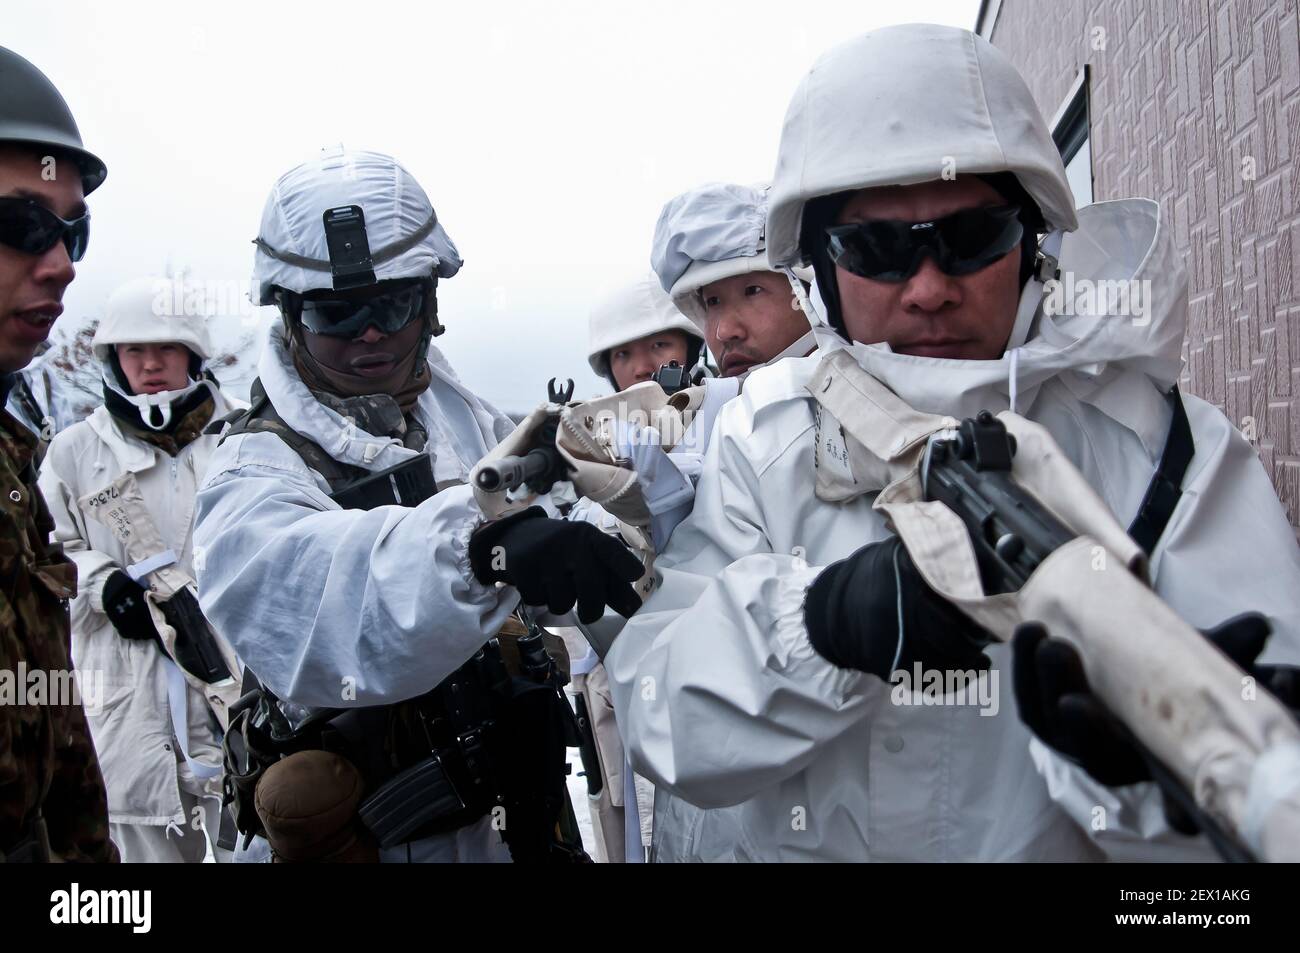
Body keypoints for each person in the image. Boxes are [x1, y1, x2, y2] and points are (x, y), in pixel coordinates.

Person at [604, 24, 1300, 861]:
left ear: (1031, 243)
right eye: (877, 248)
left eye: (972, 238)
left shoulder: (1160, 450)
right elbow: (660, 714)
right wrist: (824, 625)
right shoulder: (769, 435)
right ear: (820, 269)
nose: (930, 289)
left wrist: (1151, 783)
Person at [193, 147, 640, 862]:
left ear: (429, 305)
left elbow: (552, 515)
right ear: (291, 318)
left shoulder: (461, 417)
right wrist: (477, 550)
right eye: (338, 312)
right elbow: (318, 599)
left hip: (509, 818)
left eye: (392, 304)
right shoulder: (254, 467)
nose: (369, 332)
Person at [38, 277, 242, 862]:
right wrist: (103, 587)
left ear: (194, 355)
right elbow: (49, 549)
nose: (151, 364)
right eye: (134, 351)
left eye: (167, 349)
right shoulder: (75, 450)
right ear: (113, 359)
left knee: (251, 831)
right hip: (128, 691)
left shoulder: (242, 437)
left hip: (233, 679)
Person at [0, 44, 116, 863]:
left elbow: (51, 722)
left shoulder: (12, 450)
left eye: (74, 229)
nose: (64, 264)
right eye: (22, 224)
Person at [652, 181, 814, 379]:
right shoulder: (700, 410)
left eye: (753, 291)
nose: (725, 332)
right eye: (712, 301)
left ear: (813, 295)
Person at [587, 273, 704, 393]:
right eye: (622, 354)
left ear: (693, 349)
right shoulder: (597, 412)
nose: (641, 370)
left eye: (659, 345)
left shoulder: (722, 409)